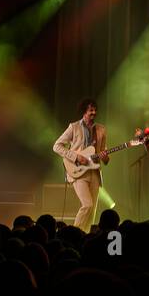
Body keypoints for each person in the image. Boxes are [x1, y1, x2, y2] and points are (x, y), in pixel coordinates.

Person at [53, 98, 109, 230]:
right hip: (78, 171)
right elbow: (57, 146)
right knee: (87, 205)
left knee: (92, 210)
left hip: (94, 172)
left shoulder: (101, 129)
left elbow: (104, 154)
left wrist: (105, 157)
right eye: (91, 110)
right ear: (84, 111)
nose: (94, 112)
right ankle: (74, 233)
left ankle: (87, 236)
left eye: (95, 110)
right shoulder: (74, 127)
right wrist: (76, 157)